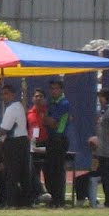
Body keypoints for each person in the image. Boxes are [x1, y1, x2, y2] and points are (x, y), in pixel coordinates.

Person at [0, 82, 30, 208]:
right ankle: (25, 202)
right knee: (23, 173)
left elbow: (4, 129)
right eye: (2, 94)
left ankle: (11, 202)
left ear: (13, 95)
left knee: (11, 174)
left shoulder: (12, 108)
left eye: (6, 94)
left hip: (14, 143)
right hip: (22, 142)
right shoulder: (19, 106)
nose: (3, 97)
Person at [43, 79, 72, 207]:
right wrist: (47, 119)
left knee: (58, 170)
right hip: (51, 139)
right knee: (49, 170)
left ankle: (59, 200)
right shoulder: (51, 103)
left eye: (56, 88)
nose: (53, 91)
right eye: (51, 88)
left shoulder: (64, 103)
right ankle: (52, 198)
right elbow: (46, 121)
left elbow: (52, 122)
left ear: (61, 90)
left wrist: (47, 118)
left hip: (59, 139)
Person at [25, 90, 48, 203]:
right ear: (32, 98)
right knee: (33, 171)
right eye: (36, 96)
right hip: (33, 144)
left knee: (48, 171)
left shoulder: (47, 111)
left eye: (40, 96)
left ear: (44, 99)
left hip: (46, 143)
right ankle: (36, 197)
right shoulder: (29, 113)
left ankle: (49, 195)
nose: (38, 98)